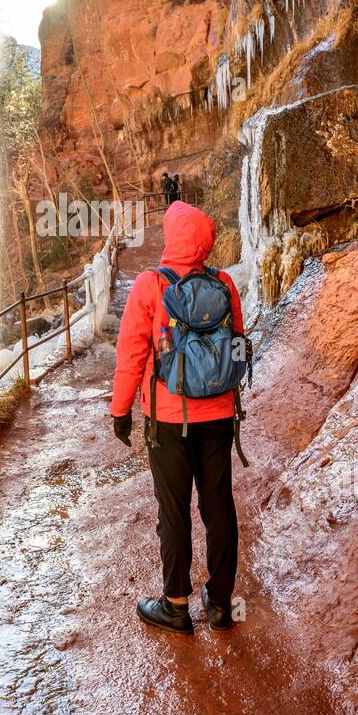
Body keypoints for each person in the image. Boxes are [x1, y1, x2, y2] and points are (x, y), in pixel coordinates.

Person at [109, 201, 244, 635]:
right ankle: (221, 604)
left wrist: (120, 410)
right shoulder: (224, 283)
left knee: (174, 510)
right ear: (205, 242)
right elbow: (237, 345)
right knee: (218, 505)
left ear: (171, 238)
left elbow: (131, 355)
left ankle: (176, 605)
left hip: (169, 420)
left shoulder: (150, 286)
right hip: (220, 416)